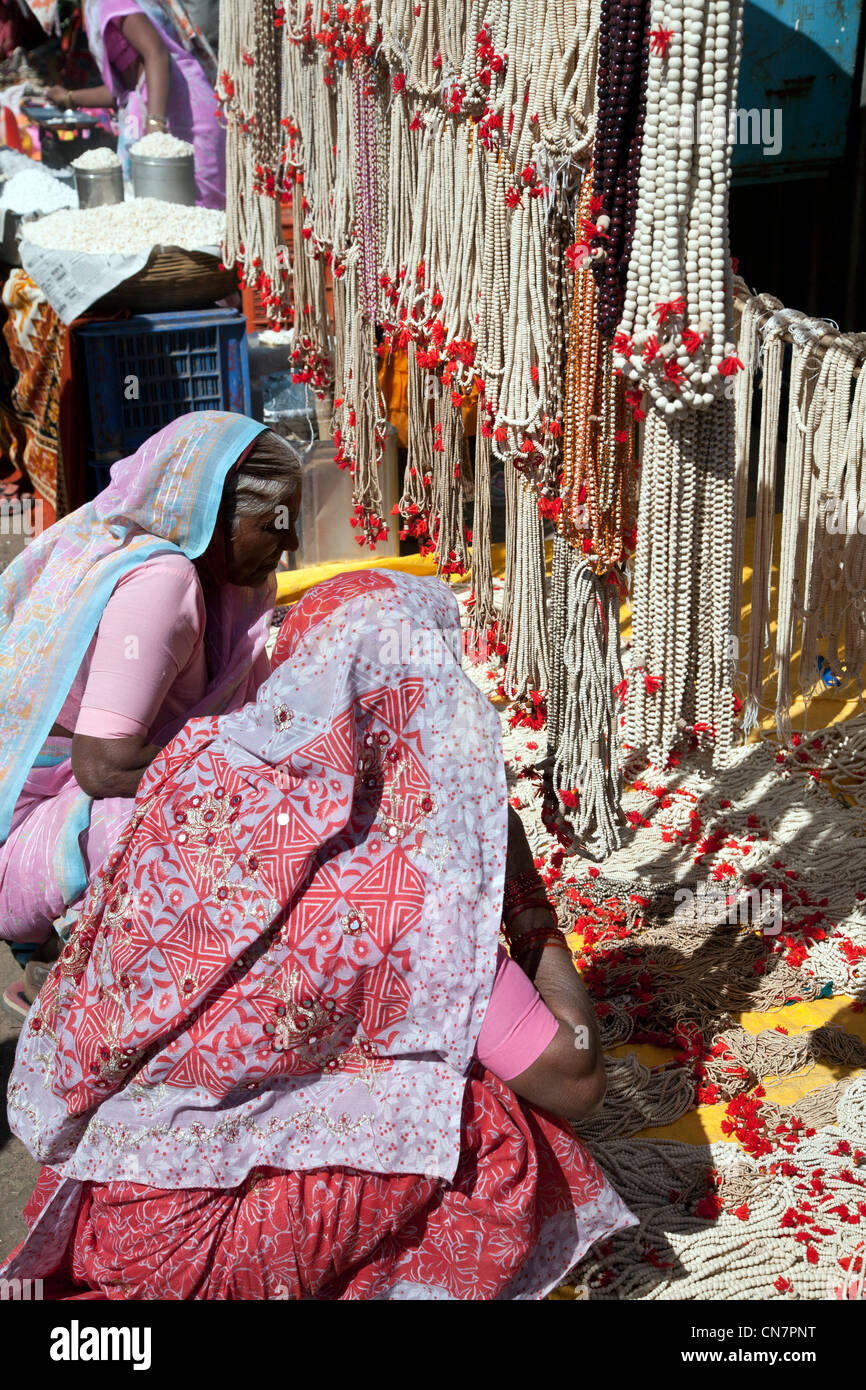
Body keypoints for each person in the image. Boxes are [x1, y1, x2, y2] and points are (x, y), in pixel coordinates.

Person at [1, 569, 634, 1299]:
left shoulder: (190, 779)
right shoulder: (409, 891)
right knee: (495, 1127)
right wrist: (517, 884)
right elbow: (575, 1079)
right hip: (201, 1262)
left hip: (102, 1212)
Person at [0, 410, 301, 1018]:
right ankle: (76, 964)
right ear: (215, 516)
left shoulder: (203, 575)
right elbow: (105, 769)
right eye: (275, 523)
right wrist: (253, 769)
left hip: (56, 812)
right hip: (36, 843)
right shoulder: (162, 583)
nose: (291, 542)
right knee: (176, 806)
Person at [45, 0, 224, 207]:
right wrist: (69, 98)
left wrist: (155, 134)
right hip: (171, 111)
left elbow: (156, 54)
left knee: (193, 220)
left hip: (185, 120)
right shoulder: (97, 7)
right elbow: (126, 90)